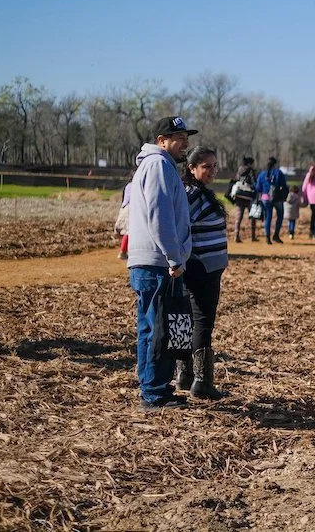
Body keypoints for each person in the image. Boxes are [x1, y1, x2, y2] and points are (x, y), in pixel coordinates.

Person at [127, 116, 197, 409]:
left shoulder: (157, 164)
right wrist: (174, 257)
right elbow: (160, 215)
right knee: (157, 329)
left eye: (186, 138)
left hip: (152, 261)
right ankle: (154, 393)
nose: (185, 144)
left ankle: (153, 388)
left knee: (152, 327)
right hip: (157, 262)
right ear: (161, 141)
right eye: (179, 138)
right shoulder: (158, 165)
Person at [174, 146, 229, 400]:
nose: (212, 171)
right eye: (206, 166)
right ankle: (202, 381)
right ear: (192, 168)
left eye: (214, 165)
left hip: (204, 266)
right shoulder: (192, 194)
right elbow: (180, 227)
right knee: (201, 321)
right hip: (201, 267)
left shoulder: (197, 191)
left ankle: (184, 376)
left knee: (185, 319)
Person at [256, 157, 288, 244]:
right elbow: (283, 185)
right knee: (280, 216)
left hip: (265, 197)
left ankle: (267, 237)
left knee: (268, 217)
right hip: (277, 197)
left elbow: (258, 188)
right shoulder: (278, 172)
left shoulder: (262, 174)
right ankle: (276, 235)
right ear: (275, 164)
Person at [231, 157, 258, 242]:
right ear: (249, 163)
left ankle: (236, 236)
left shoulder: (239, 170)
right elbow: (254, 182)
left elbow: (235, 180)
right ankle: (253, 236)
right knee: (253, 215)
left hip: (239, 195)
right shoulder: (251, 170)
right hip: (249, 196)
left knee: (239, 217)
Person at [114, 178, 133, 260]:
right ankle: (123, 251)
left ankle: (124, 250)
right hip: (130, 209)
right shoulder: (136, 185)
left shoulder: (128, 185)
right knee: (129, 231)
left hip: (124, 208)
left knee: (126, 231)